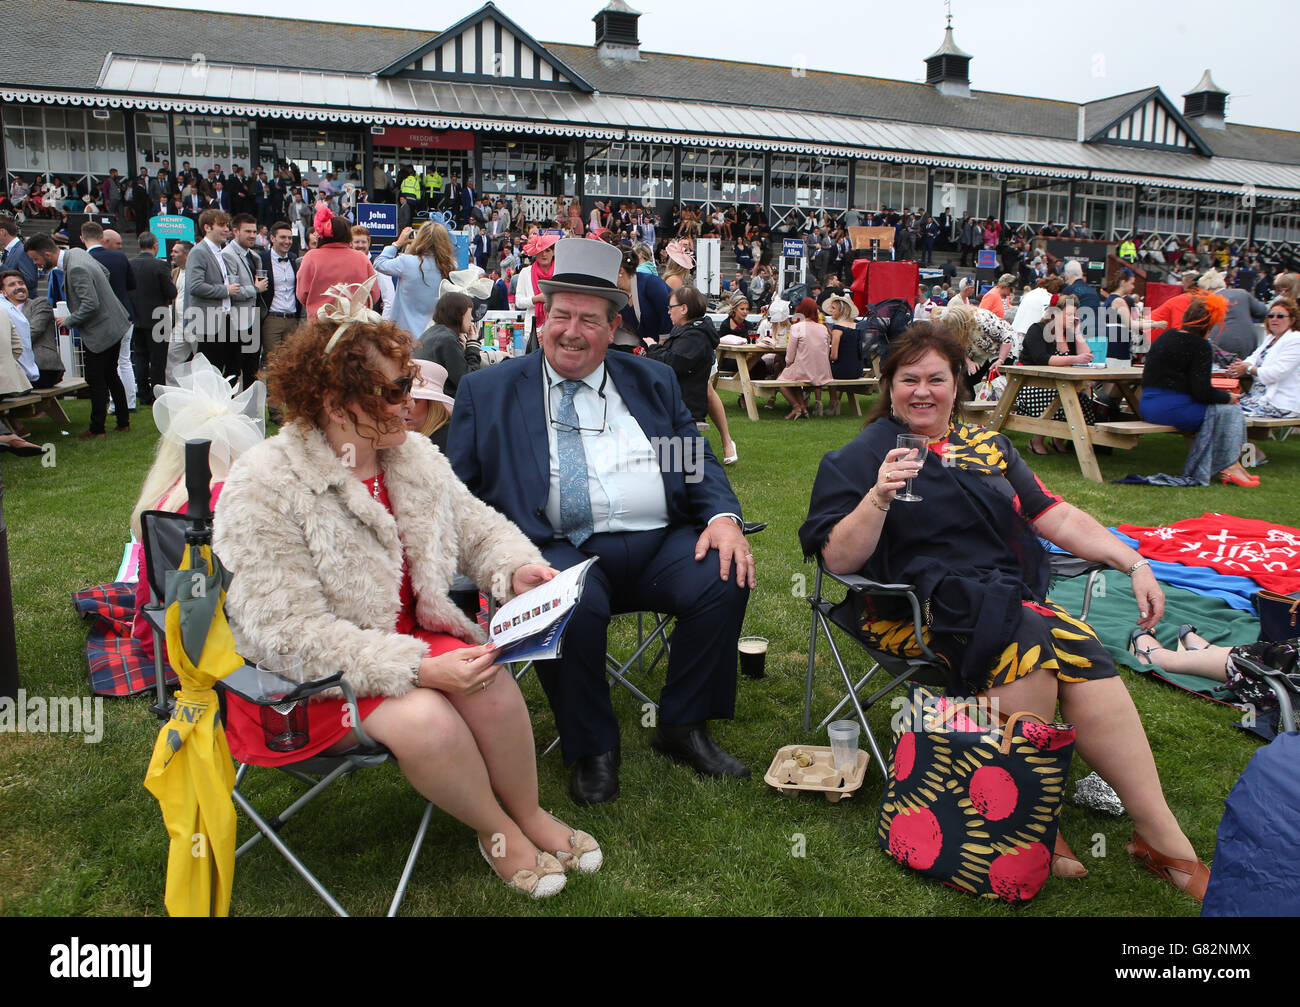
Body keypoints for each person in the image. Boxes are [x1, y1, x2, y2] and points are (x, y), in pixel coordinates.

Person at [798, 322, 1211, 900]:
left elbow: (1054, 515)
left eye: (935, 379)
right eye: (908, 378)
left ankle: (1157, 831)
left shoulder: (988, 446)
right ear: (888, 385)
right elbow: (840, 559)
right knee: (1026, 638)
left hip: (997, 596)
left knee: (1076, 642)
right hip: (907, 611)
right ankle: (1038, 822)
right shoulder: (859, 457)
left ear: (958, 381)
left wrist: (1134, 562)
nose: (922, 391)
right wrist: (879, 496)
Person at [212, 288, 598, 898]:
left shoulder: (411, 456)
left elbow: (477, 528)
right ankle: (498, 833)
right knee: (428, 720)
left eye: (409, 381)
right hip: (314, 682)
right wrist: (418, 668)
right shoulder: (265, 482)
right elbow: (281, 633)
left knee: (491, 683)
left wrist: (515, 568)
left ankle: (530, 813)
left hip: (405, 640)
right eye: (395, 391)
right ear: (337, 405)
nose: (412, 403)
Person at [447, 238, 753, 807]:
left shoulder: (650, 384)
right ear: (543, 320)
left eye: (589, 319)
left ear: (613, 329)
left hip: (658, 543)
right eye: (561, 314)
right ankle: (592, 748)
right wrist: (497, 562)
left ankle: (682, 725)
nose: (571, 330)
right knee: (569, 601)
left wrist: (723, 517)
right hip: (554, 546)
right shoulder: (487, 392)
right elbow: (457, 497)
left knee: (723, 574)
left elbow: (691, 459)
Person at [128, 356, 265, 666]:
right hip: (239, 644)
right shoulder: (251, 499)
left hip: (167, 642)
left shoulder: (164, 501)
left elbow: (147, 589)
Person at [1141, 296, 1256, 486]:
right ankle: (1230, 466)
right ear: (1209, 326)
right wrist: (1227, 397)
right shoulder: (1201, 346)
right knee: (1231, 412)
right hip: (1173, 409)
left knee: (1225, 412)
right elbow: (1201, 391)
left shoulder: (1166, 336)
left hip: (1148, 406)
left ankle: (1233, 465)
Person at [26, 233, 131, 437]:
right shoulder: (77, 252)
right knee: (110, 374)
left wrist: (69, 320)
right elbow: (105, 273)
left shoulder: (75, 268)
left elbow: (91, 304)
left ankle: (97, 428)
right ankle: (123, 422)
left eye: (36, 259)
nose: (36, 264)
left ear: (47, 254)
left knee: (96, 379)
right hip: (114, 324)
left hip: (102, 331)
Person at [1013, 295, 1097, 454]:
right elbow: (1042, 359)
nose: (1073, 318)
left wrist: (1078, 333)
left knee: (1081, 398)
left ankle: (1058, 438)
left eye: (1075, 314)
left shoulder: (1069, 334)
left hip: (1060, 384)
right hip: (1032, 383)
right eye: (1069, 314)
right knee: (1059, 396)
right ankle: (1036, 441)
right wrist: (1074, 358)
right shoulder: (1037, 329)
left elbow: (1086, 357)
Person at [644, 283, 718, 424]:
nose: (668, 312)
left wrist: (653, 347)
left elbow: (674, 363)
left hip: (684, 407)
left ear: (684, 308)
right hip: (676, 401)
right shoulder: (686, 331)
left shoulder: (695, 336)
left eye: (671, 307)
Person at [1229, 296, 1300, 429]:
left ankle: (1244, 449)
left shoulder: (1296, 340)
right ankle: (1240, 448)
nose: (1274, 319)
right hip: (1257, 397)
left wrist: (1248, 369)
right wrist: (1239, 367)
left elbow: (1276, 373)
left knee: (1229, 415)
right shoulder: (1270, 338)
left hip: (1280, 402)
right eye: (1271, 315)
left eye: (1280, 316)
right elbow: (1253, 358)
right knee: (1222, 410)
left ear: (1292, 320)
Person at [295, 206, 377, 318]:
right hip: (355, 326)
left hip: (320, 326)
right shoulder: (362, 258)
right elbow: (373, 293)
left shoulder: (311, 257)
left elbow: (302, 294)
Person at [129, 232, 178, 403]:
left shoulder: (131, 264)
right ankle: (157, 393)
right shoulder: (160, 265)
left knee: (140, 357)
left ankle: (143, 393)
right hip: (158, 318)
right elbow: (171, 292)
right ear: (155, 246)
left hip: (137, 317)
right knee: (158, 359)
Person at [412, 290, 482, 399]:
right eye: (469, 315)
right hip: (440, 403)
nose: (472, 319)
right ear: (459, 316)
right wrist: (473, 344)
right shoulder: (447, 340)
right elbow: (469, 380)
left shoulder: (433, 332)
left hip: (425, 396)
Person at [2, 269, 61, 388]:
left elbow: (31, 333)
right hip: (15, 368)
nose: (19, 287)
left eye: (21, 283)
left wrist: (8, 344)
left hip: (43, 368)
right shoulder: (3, 310)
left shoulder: (39, 304)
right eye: (12, 285)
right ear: (3, 293)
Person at [779, 297, 834, 419]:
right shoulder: (823, 328)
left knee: (781, 381)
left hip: (805, 370)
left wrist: (788, 364)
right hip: (823, 372)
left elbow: (789, 356)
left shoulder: (797, 327)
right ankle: (803, 407)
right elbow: (826, 351)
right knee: (792, 377)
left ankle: (796, 406)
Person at [1200, 269, 1269, 361]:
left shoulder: (1207, 301)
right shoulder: (1242, 293)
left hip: (1219, 343)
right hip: (1248, 341)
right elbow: (1262, 311)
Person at [514, 233, 556, 351]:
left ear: (553, 252)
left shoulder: (559, 271)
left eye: (547, 250)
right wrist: (536, 299)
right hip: (532, 328)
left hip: (556, 326)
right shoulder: (525, 272)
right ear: (535, 253)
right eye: (540, 251)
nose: (544, 254)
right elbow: (519, 302)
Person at [824, 293, 862, 416]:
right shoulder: (857, 326)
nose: (830, 310)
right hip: (857, 370)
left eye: (833, 308)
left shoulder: (838, 328)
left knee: (826, 368)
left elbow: (834, 356)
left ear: (841, 311)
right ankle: (835, 402)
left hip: (843, 371)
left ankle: (833, 402)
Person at [406, 358, 455, 452]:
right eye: (399, 401)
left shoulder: (448, 440)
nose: (406, 407)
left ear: (433, 405)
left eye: (415, 401)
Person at [0, 216, 37, 298]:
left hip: (23, 305)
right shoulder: (8, 251)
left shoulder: (22, 251)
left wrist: (1, 266)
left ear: (2, 232)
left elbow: (30, 281)